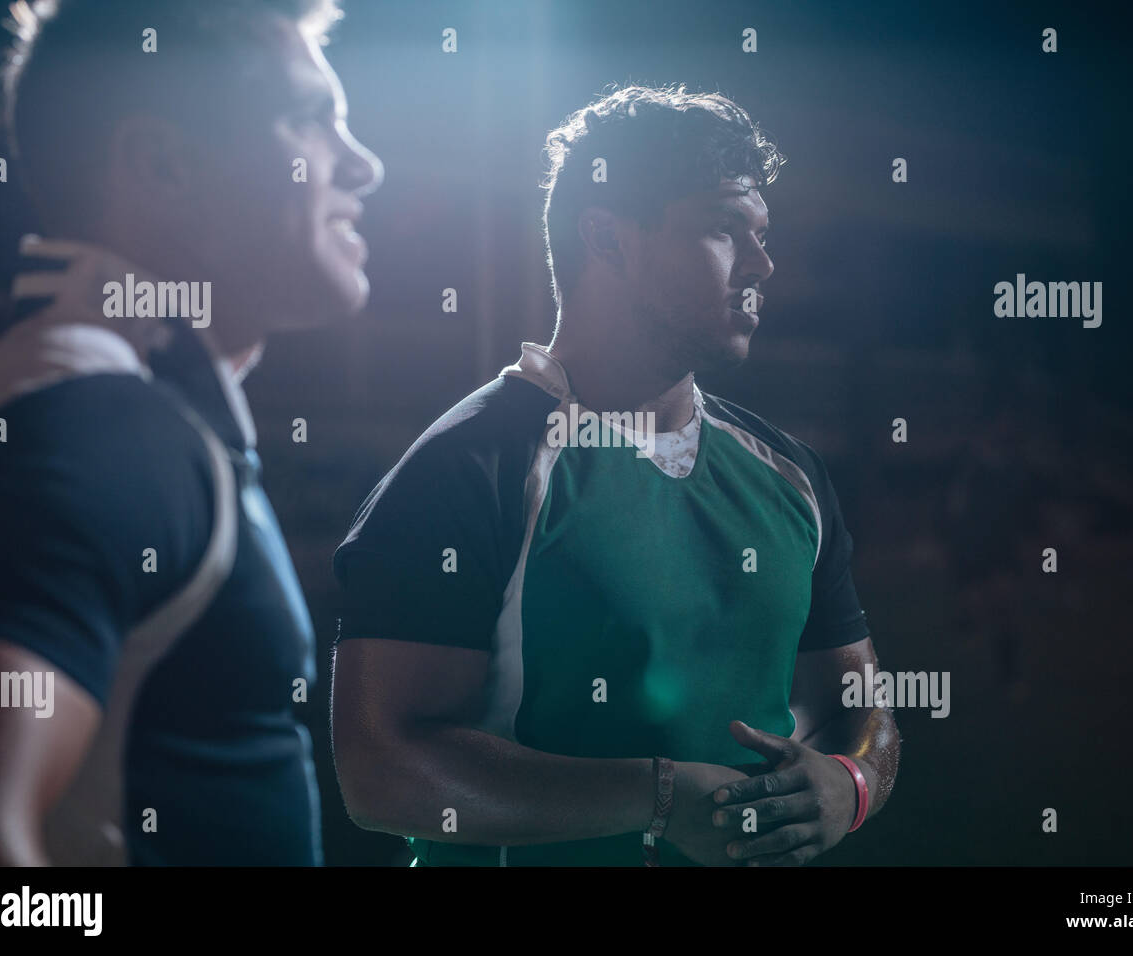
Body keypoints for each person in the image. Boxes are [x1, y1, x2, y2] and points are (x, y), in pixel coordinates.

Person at [332, 85, 899, 866]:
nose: (763, 264)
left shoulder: (789, 476)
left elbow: (858, 710)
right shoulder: (464, 471)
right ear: (609, 241)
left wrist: (852, 781)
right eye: (723, 230)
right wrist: (658, 798)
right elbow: (378, 773)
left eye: (763, 234)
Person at [0, 0, 382, 865]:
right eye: (309, 118)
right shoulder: (93, 419)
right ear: (162, 164)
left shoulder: (133, 404)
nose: (363, 165)